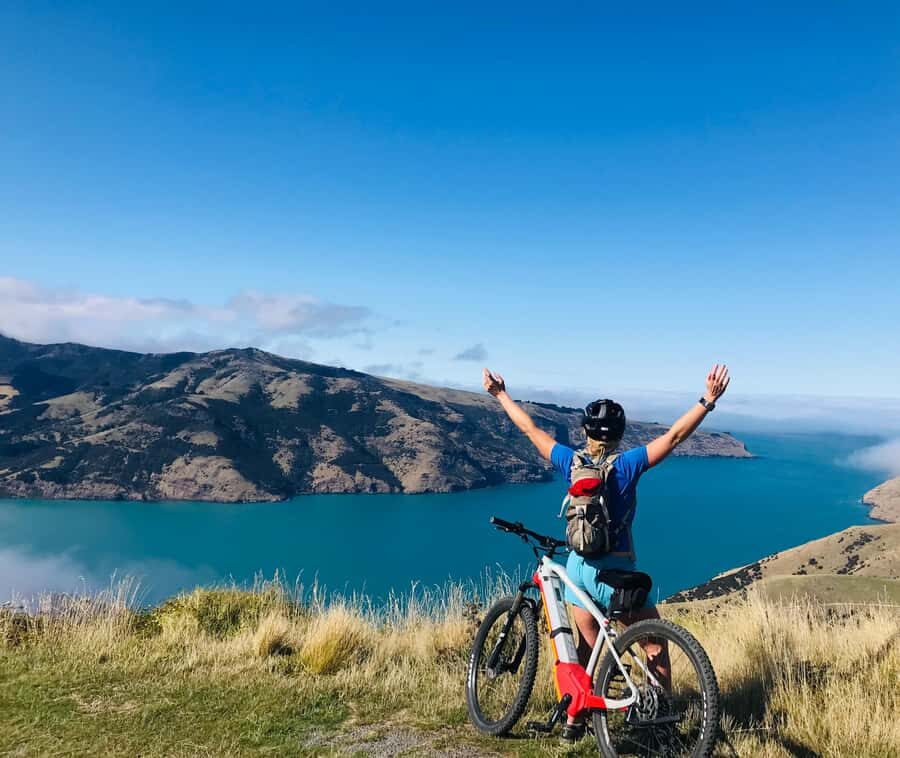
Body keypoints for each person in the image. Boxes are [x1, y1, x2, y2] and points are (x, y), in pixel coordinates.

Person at [482, 364, 731, 741]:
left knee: (583, 649)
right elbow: (676, 436)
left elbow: (530, 430)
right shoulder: (627, 466)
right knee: (654, 646)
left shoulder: (572, 463)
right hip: (613, 577)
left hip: (578, 571)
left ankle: (573, 723)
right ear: (620, 434)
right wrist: (707, 401)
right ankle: (658, 725)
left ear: (584, 431)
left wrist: (501, 394)